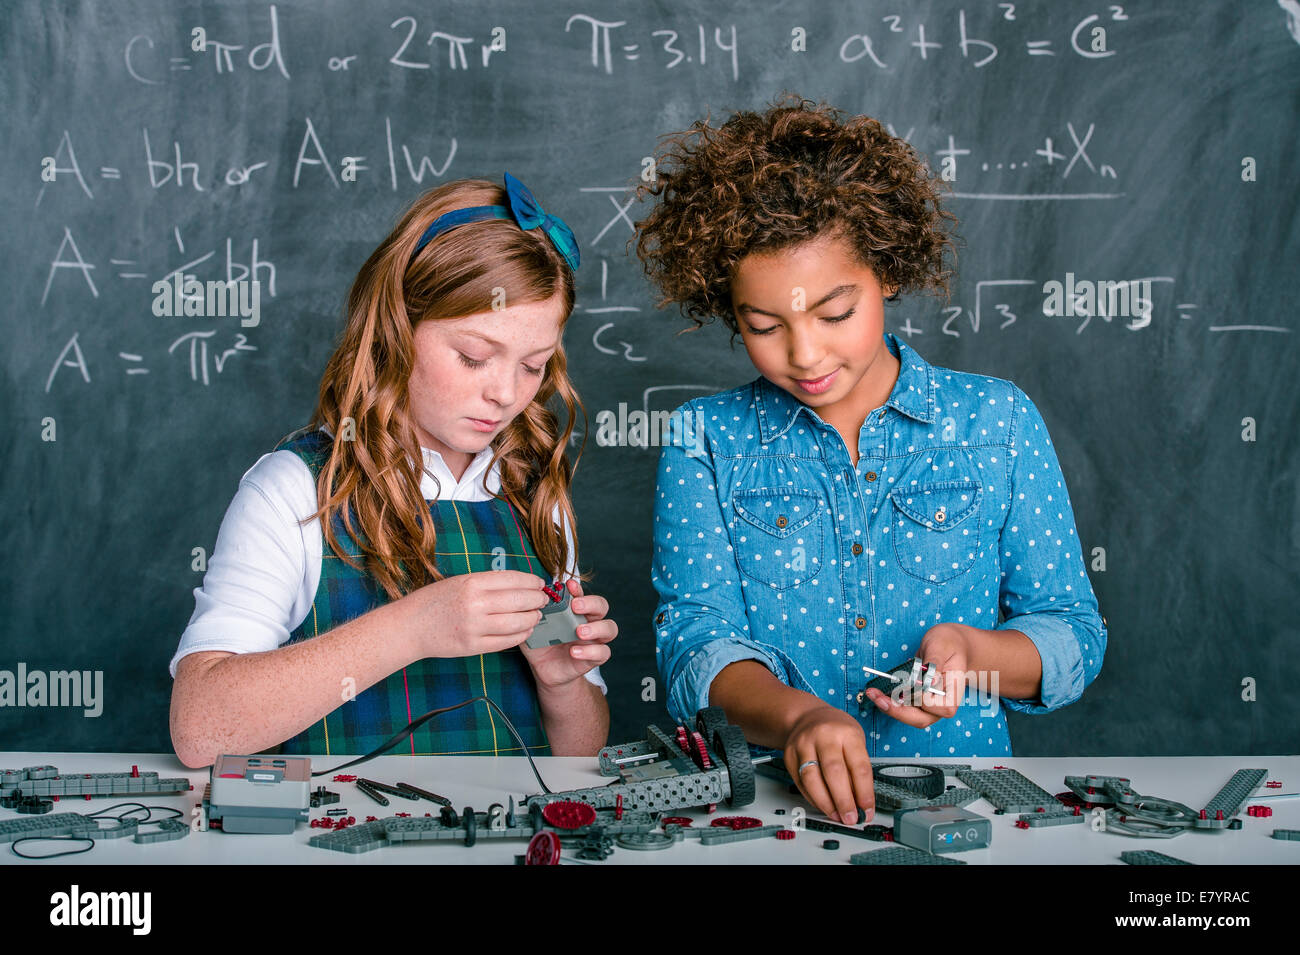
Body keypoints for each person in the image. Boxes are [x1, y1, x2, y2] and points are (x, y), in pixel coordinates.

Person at [634, 95, 1106, 824]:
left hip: (966, 805)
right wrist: (797, 719)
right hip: (771, 817)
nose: (806, 354)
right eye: (765, 326)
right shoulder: (705, 437)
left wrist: (973, 653)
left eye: (835, 313)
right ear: (730, 310)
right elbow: (696, 647)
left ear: (886, 271)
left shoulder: (998, 421)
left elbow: (1073, 631)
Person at [169, 173, 616, 768]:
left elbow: (582, 755)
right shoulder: (297, 488)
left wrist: (563, 685)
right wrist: (416, 627)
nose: (506, 394)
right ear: (398, 329)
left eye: (533, 365)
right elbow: (200, 731)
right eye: (473, 357)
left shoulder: (537, 499)